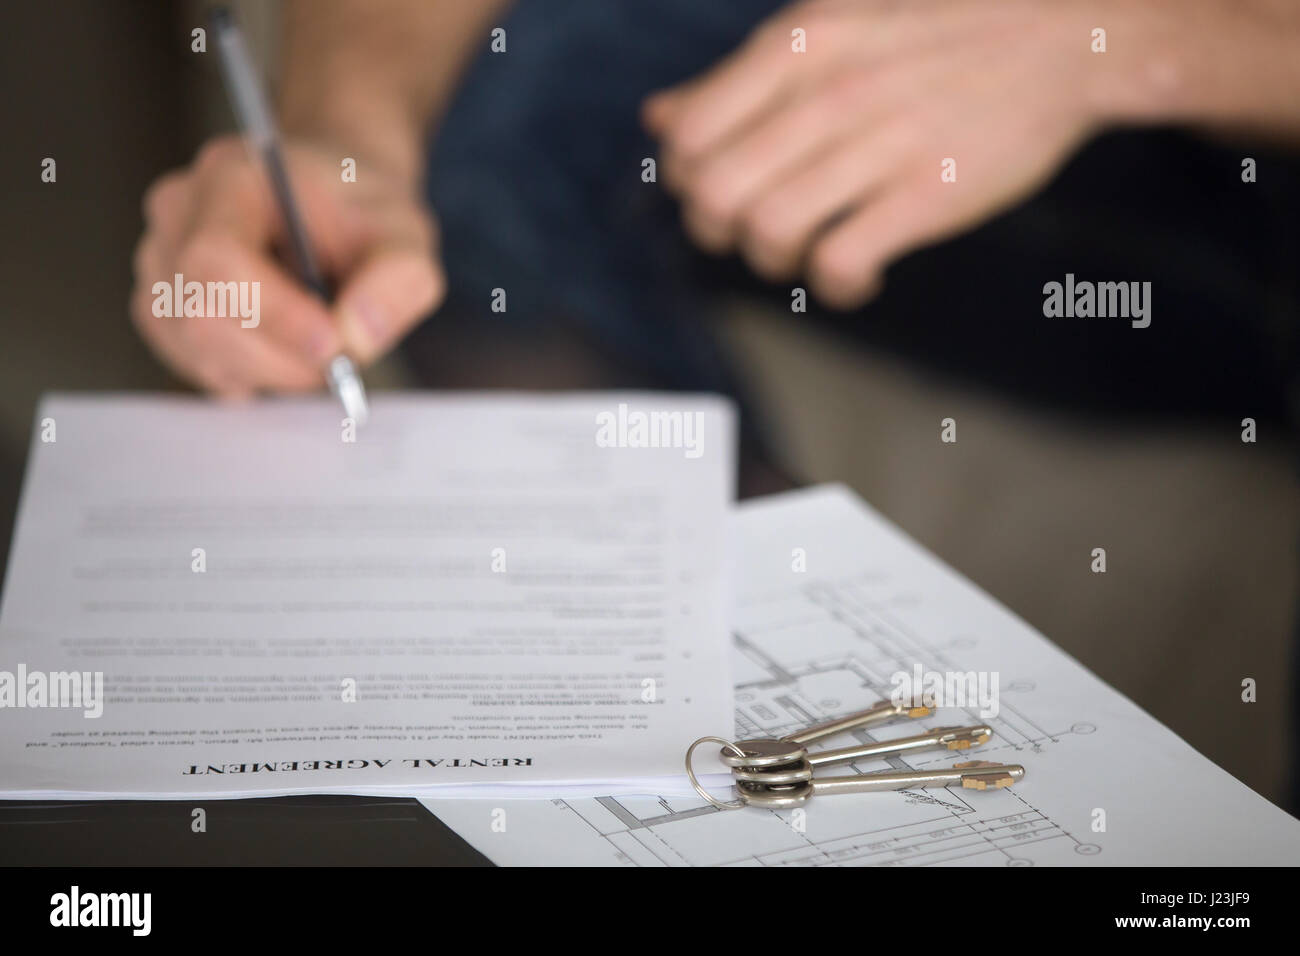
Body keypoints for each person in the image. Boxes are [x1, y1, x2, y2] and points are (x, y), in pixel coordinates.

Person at [130, 0, 1300, 806]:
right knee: (477, 140)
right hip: (869, 103)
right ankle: (752, 681)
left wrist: (1124, 37)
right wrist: (346, 134)